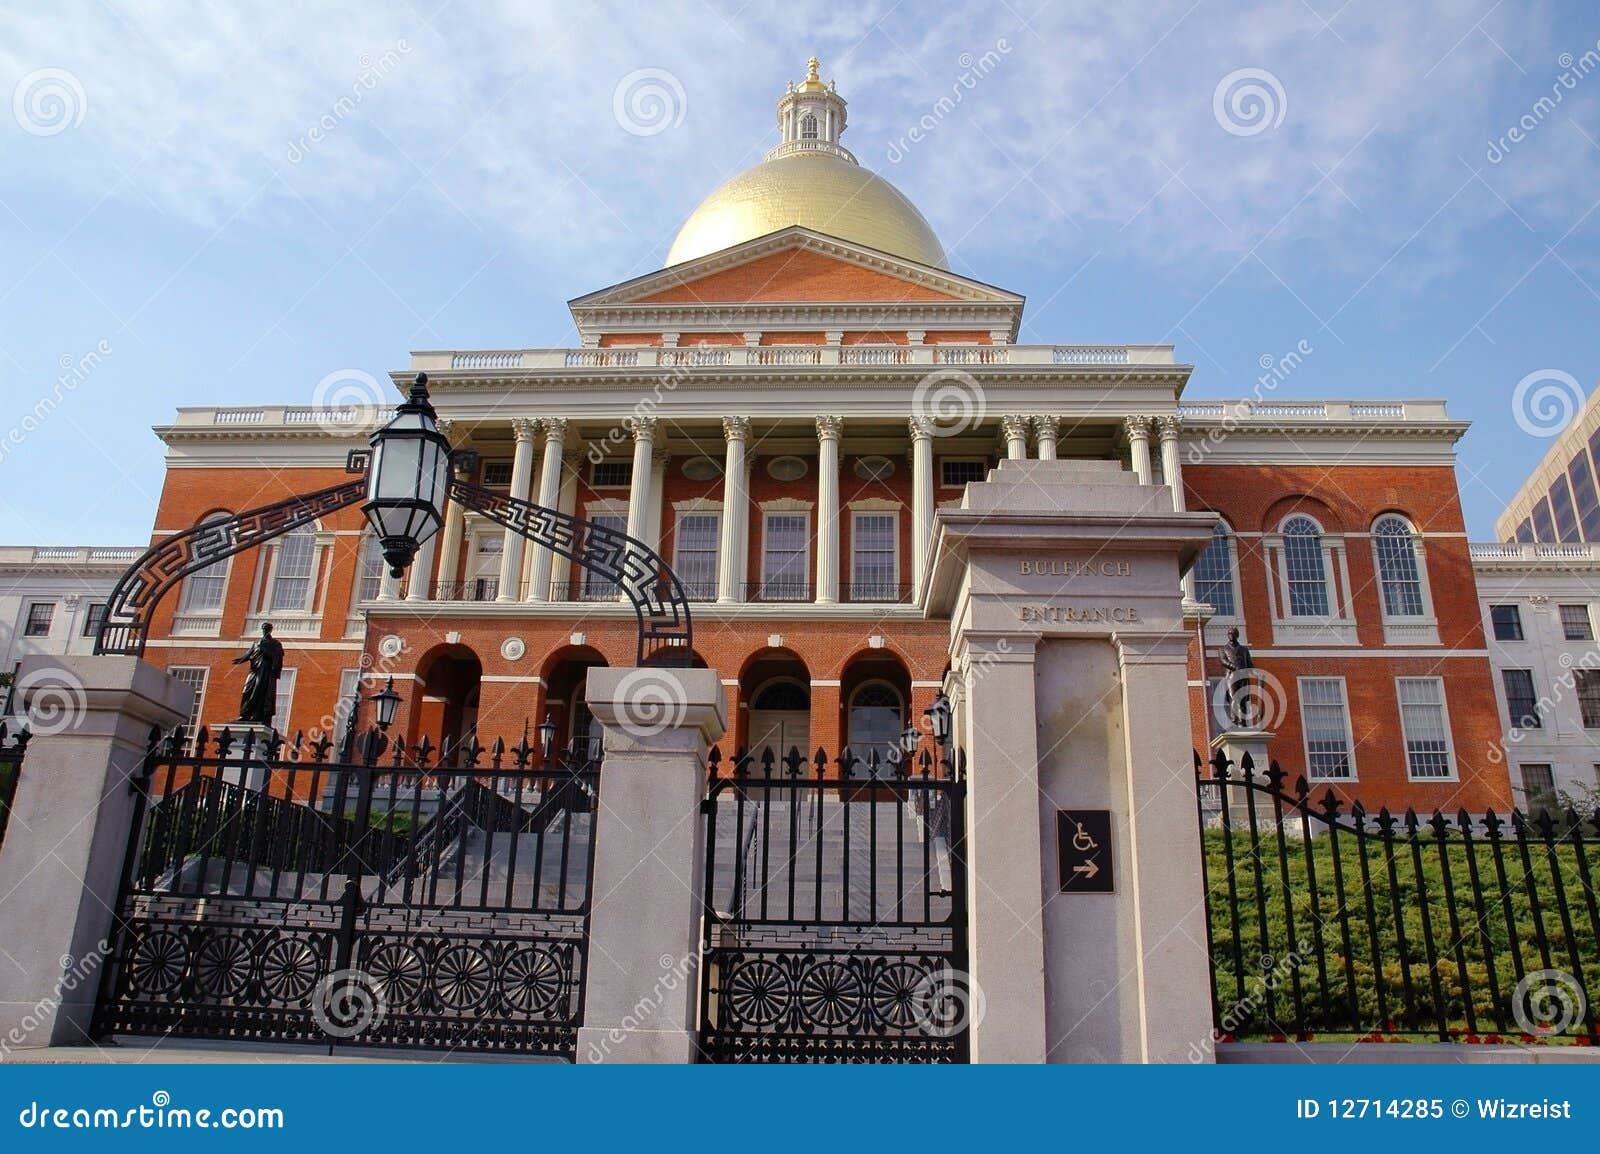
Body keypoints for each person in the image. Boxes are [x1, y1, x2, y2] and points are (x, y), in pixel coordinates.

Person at [234, 622, 285, 727]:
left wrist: (265, 650)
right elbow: (249, 654)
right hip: (254, 670)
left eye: (266, 629)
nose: (265, 631)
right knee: (247, 690)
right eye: (263, 629)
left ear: (270, 630)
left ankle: (258, 715)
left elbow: (277, 658)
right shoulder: (257, 642)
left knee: (260, 692)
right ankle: (245, 714)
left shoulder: (275, 644)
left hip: (265, 672)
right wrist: (241, 660)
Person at [1218, 626, 1255, 728]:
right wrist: (1234, 667)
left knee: (1243, 699)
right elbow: (1223, 661)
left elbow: (1250, 664)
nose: (1231, 635)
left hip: (1243, 676)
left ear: (1237, 635)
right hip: (1231, 677)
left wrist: (1255, 672)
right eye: (1229, 633)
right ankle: (1234, 722)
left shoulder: (1244, 649)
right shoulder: (1223, 649)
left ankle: (1243, 722)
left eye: (1233, 633)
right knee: (1233, 698)